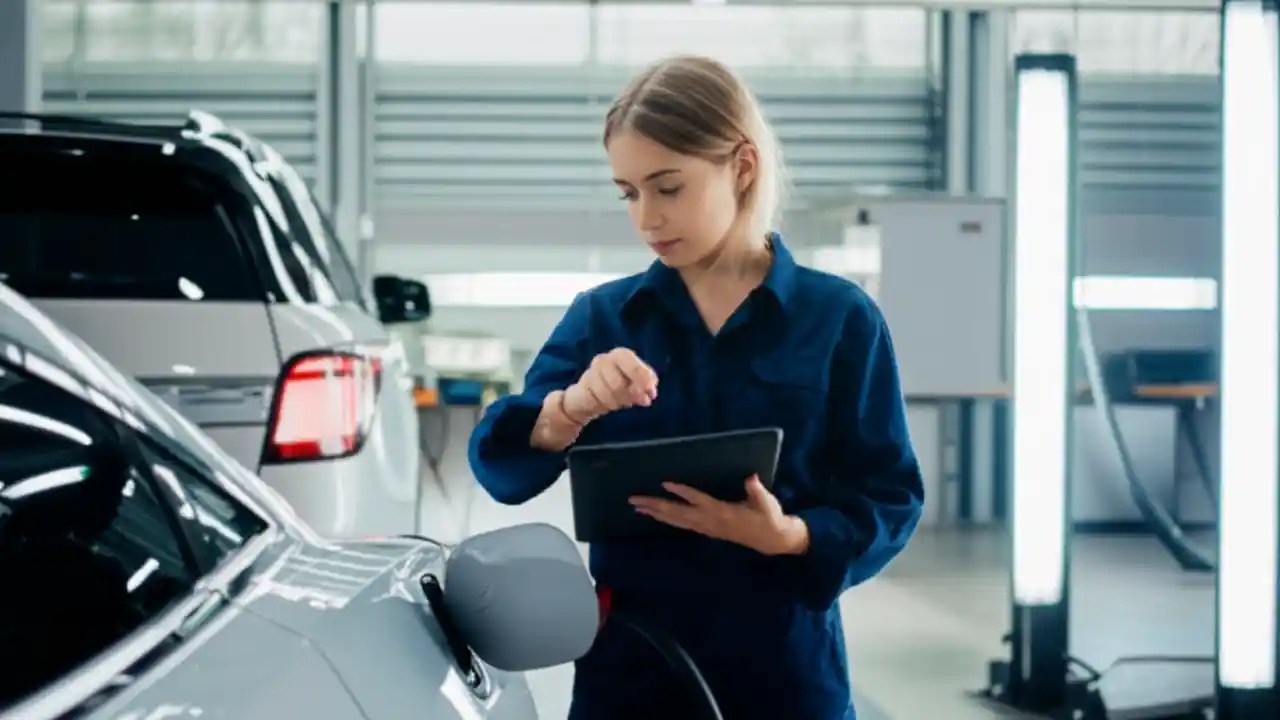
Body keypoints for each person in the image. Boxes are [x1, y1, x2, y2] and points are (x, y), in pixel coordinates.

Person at [468, 54, 925, 720]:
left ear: (741, 166)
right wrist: (570, 408)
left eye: (668, 187)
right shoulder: (603, 318)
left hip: (784, 669)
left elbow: (891, 496)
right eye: (628, 192)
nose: (646, 218)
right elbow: (497, 464)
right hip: (632, 667)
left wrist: (793, 536)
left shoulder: (839, 319)